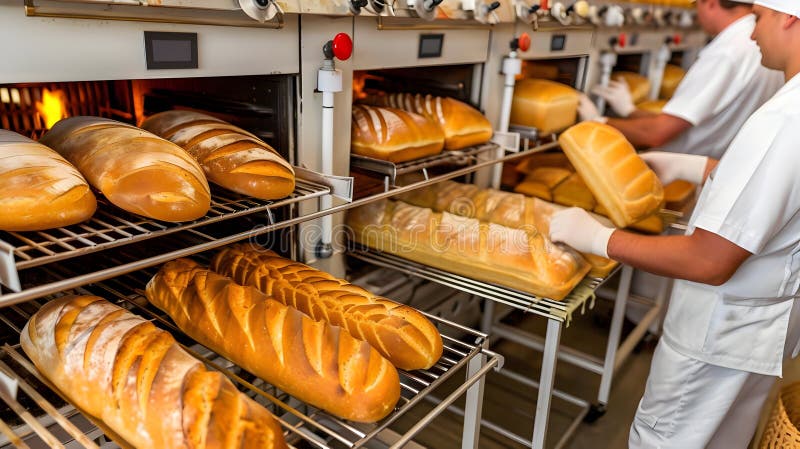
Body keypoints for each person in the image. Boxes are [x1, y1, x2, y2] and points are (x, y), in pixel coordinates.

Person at [549, 2, 800, 447]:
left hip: (721, 332)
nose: (752, 33)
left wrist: (600, 238)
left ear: (789, 19)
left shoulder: (784, 119)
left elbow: (710, 261)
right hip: (760, 328)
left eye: (758, 18)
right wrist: (693, 166)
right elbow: (774, 187)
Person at [580, 0, 782, 160]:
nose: (697, 13)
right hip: (706, 165)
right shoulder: (761, 45)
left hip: (679, 171)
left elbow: (657, 134)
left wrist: (597, 122)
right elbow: (692, 121)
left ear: (711, 3)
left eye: (696, 5)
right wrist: (630, 111)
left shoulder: (728, 51)